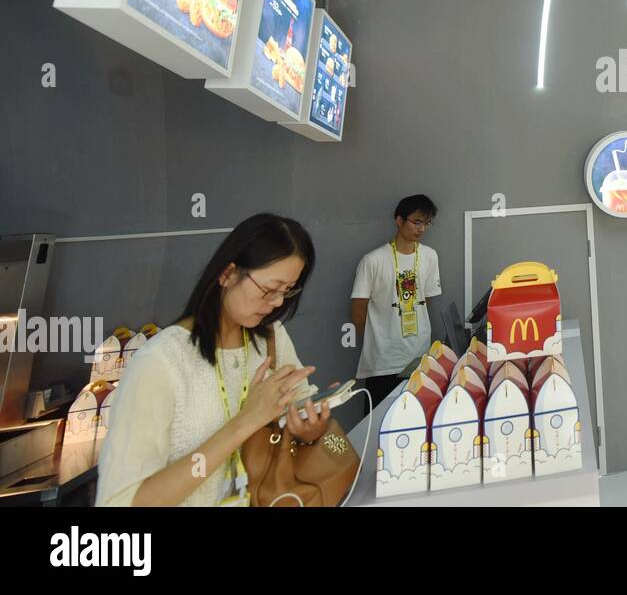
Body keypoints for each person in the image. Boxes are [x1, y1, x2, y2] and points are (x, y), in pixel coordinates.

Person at [96, 214, 328, 506]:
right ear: (228, 274)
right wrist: (246, 421)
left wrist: (310, 430)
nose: (279, 303)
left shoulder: (270, 338)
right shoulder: (160, 364)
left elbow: (299, 414)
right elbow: (121, 502)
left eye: (288, 290)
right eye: (270, 289)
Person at [350, 194, 442, 402]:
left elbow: (425, 300)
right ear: (399, 220)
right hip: (382, 362)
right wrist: (379, 338)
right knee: (378, 424)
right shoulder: (373, 260)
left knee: (416, 420)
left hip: (419, 355)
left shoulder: (430, 256)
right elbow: (357, 311)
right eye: (417, 222)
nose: (422, 229)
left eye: (427, 223)